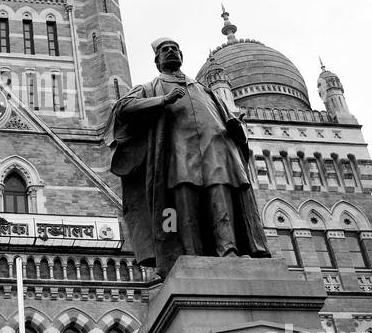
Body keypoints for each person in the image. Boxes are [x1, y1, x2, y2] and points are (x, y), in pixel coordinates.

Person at [109, 36, 270, 276]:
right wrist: (161, 101)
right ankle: (187, 255)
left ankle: (230, 252)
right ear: (157, 60)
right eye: (165, 50)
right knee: (179, 210)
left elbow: (231, 123)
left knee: (222, 203)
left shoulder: (205, 91)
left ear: (182, 56)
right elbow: (123, 109)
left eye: (175, 49)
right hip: (177, 156)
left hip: (217, 154)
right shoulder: (151, 87)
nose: (171, 52)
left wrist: (239, 132)